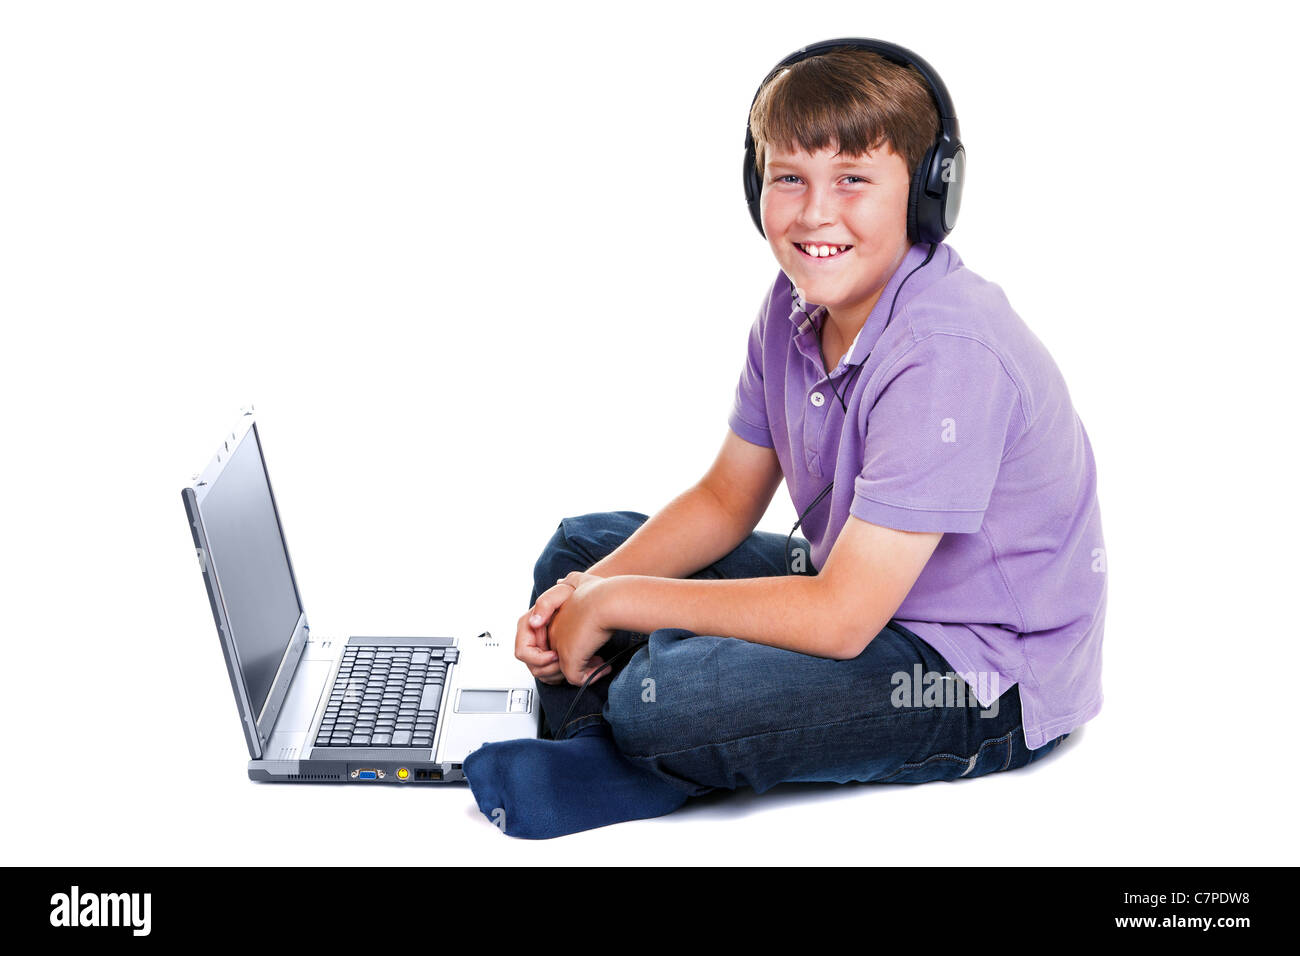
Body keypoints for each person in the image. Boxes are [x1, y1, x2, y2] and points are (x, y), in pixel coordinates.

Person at [463, 40, 1106, 840]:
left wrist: (617, 602)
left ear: (926, 195)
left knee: (675, 693)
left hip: (974, 674)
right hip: (862, 585)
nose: (814, 213)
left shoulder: (948, 353)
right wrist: (584, 592)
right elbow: (726, 499)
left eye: (854, 181)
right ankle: (632, 745)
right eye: (788, 178)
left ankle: (632, 739)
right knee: (577, 551)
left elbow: (839, 619)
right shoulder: (792, 304)